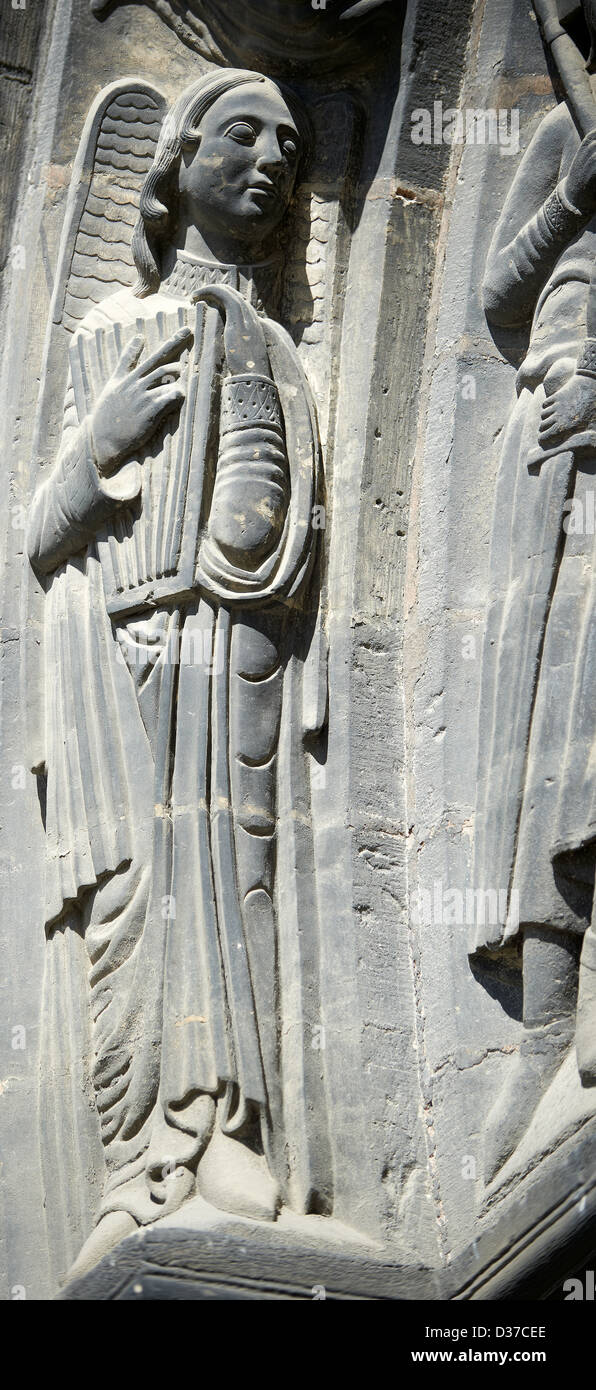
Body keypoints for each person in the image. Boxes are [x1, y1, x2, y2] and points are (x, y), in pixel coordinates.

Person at [27, 68, 327, 1276]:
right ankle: (148, 1154)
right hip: (139, 644)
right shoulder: (113, 332)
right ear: (181, 155)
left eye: (295, 148)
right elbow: (42, 537)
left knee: (241, 883)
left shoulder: (287, 355)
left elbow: (294, 495)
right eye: (244, 135)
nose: (273, 161)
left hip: (248, 644)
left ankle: (230, 1121)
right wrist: (101, 443)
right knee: (141, 896)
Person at [473, 0, 596, 1181]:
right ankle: (546, 1030)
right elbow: (499, 298)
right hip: (555, 466)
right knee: (556, 738)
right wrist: (577, 187)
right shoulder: (568, 135)